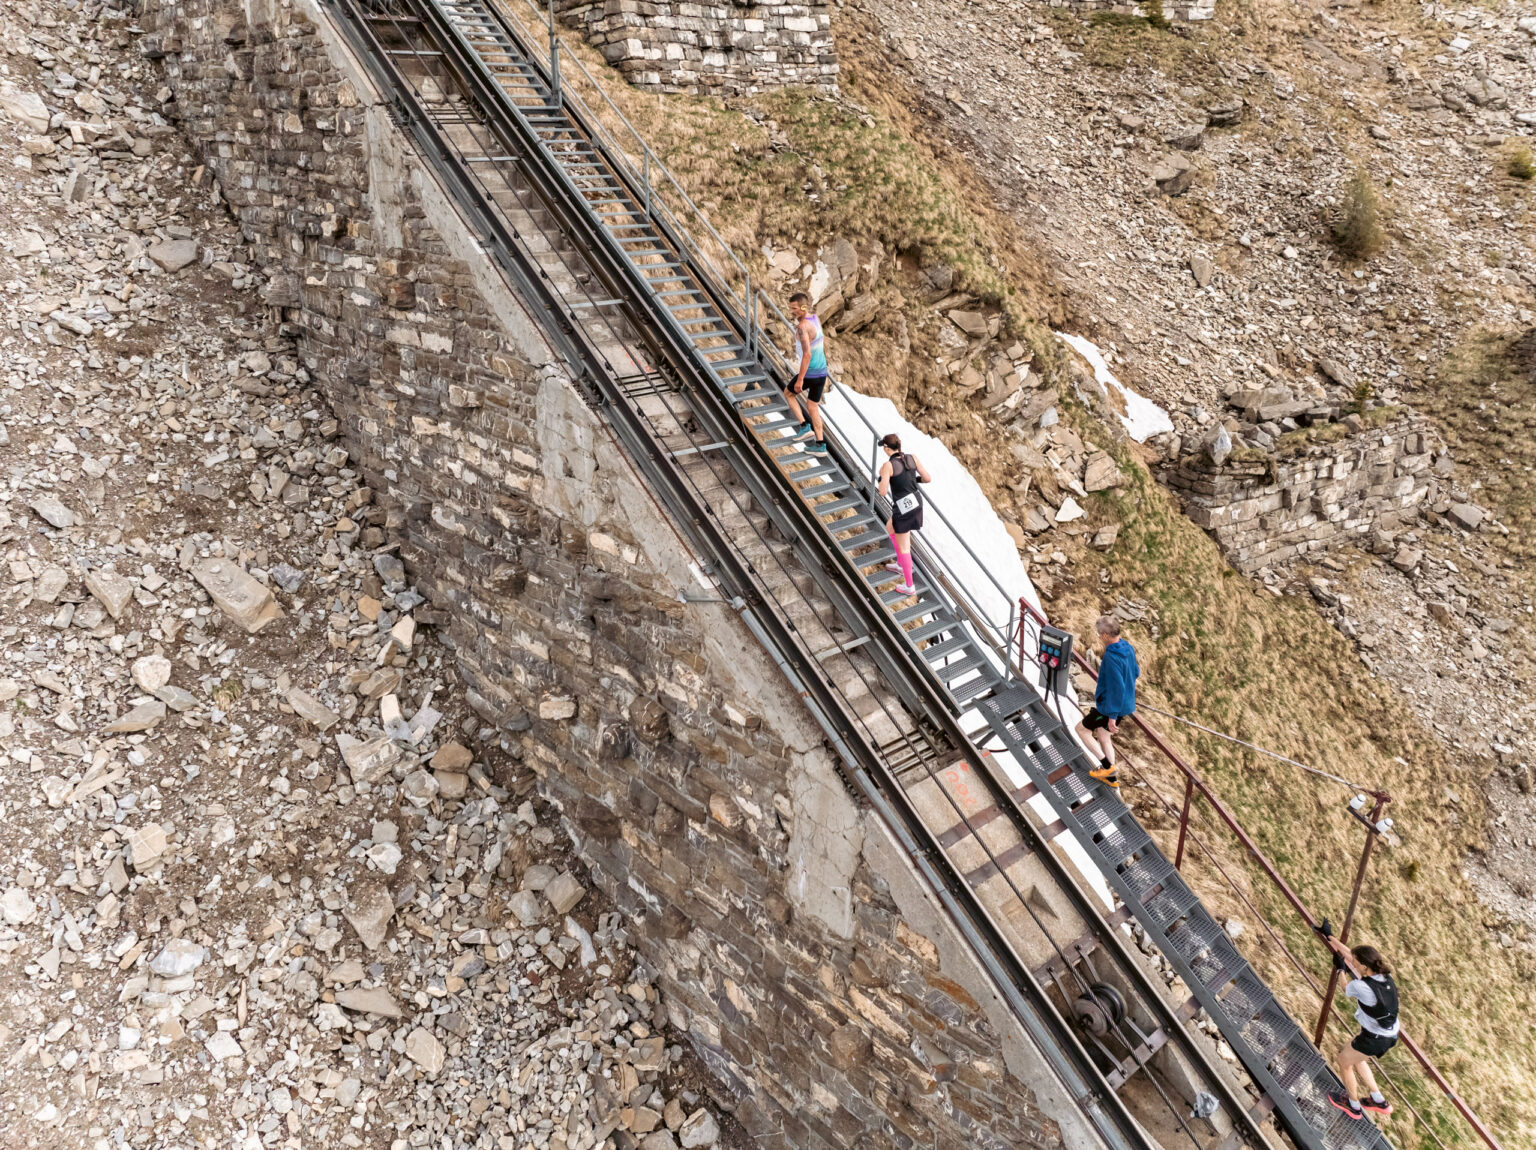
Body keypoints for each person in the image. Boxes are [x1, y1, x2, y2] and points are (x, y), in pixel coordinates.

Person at [1322, 937, 1399, 1121]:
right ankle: (1378, 1100)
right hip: (1388, 1034)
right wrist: (1330, 936)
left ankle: (1353, 1105)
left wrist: (1341, 969)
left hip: (1375, 1037)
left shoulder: (1361, 986)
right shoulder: (1383, 976)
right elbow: (1351, 955)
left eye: (1355, 964)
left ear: (1364, 967)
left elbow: (1345, 987)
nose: (1353, 964)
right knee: (1356, 1055)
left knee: (1343, 1061)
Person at [1075, 615, 1137, 789]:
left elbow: (1116, 689)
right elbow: (1136, 672)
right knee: (1104, 737)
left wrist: (1111, 716)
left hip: (1109, 708)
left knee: (1082, 730)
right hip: (1125, 705)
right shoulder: (1128, 648)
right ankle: (1112, 778)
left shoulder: (1110, 658)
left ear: (1104, 635)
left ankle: (1107, 767)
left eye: (1099, 634)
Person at [876, 434, 930, 596]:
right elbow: (927, 478)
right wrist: (912, 480)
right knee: (890, 527)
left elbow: (883, 491)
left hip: (903, 507)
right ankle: (901, 564)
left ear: (886, 448)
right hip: (916, 501)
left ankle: (909, 586)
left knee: (904, 546)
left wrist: (882, 477)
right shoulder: (912, 457)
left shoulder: (888, 465)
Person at [787, 292, 829, 455]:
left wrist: (800, 379)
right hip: (822, 371)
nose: (791, 311)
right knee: (812, 406)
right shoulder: (815, 318)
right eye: (790, 308)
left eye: (794, 308)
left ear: (803, 307)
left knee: (789, 394)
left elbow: (807, 355)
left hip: (810, 373)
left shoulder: (802, 328)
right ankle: (820, 444)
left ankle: (804, 427)